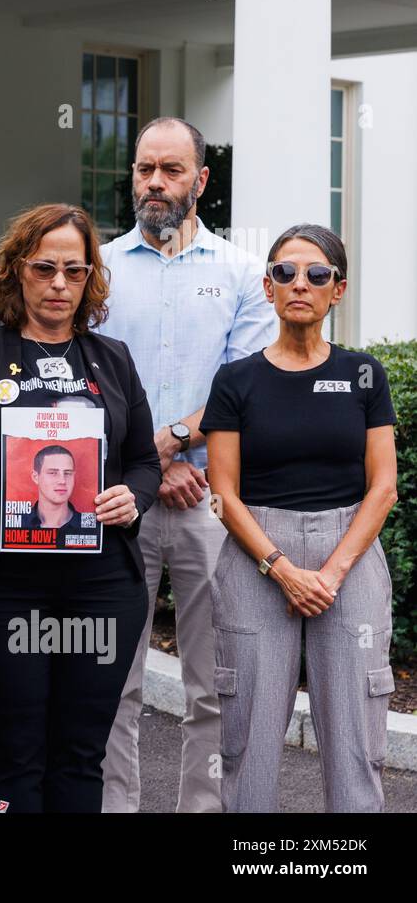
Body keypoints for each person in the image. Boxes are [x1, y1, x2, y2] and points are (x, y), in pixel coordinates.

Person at [0, 203, 160, 813]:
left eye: (75, 270)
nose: (60, 283)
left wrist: (131, 497)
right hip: (5, 592)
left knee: (82, 757)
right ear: (15, 272)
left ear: (91, 278)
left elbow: (145, 460)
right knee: (13, 758)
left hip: (102, 589)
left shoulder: (112, 359)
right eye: (45, 268)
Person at [98, 117, 276, 813]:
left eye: (172, 170)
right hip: (118, 500)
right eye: (145, 169)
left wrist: (170, 441)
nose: (155, 183)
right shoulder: (100, 268)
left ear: (200, 180)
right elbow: (91, 383)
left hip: (210, 501)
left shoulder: (240, 273)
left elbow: (245, 387)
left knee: (212, 681)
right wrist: (154, 463)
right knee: (115, 676)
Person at [202, 223, 397, 812]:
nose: (300, 285)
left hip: (350, 553)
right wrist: (283, 569)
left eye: (317, 275)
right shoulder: (237, 380)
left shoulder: (364, 374)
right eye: (285, 273)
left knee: (356, 737)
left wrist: (331, 574)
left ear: (337, 290)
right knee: (248, 737)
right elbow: (223, 492)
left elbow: (383, 487)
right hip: (257, 552)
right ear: (268, 286)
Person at [21, 446, 87, 533]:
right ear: (35, 477)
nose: (62, 481)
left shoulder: (89, 524)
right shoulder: (17, 523)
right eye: (52, 473)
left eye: (67, 473)